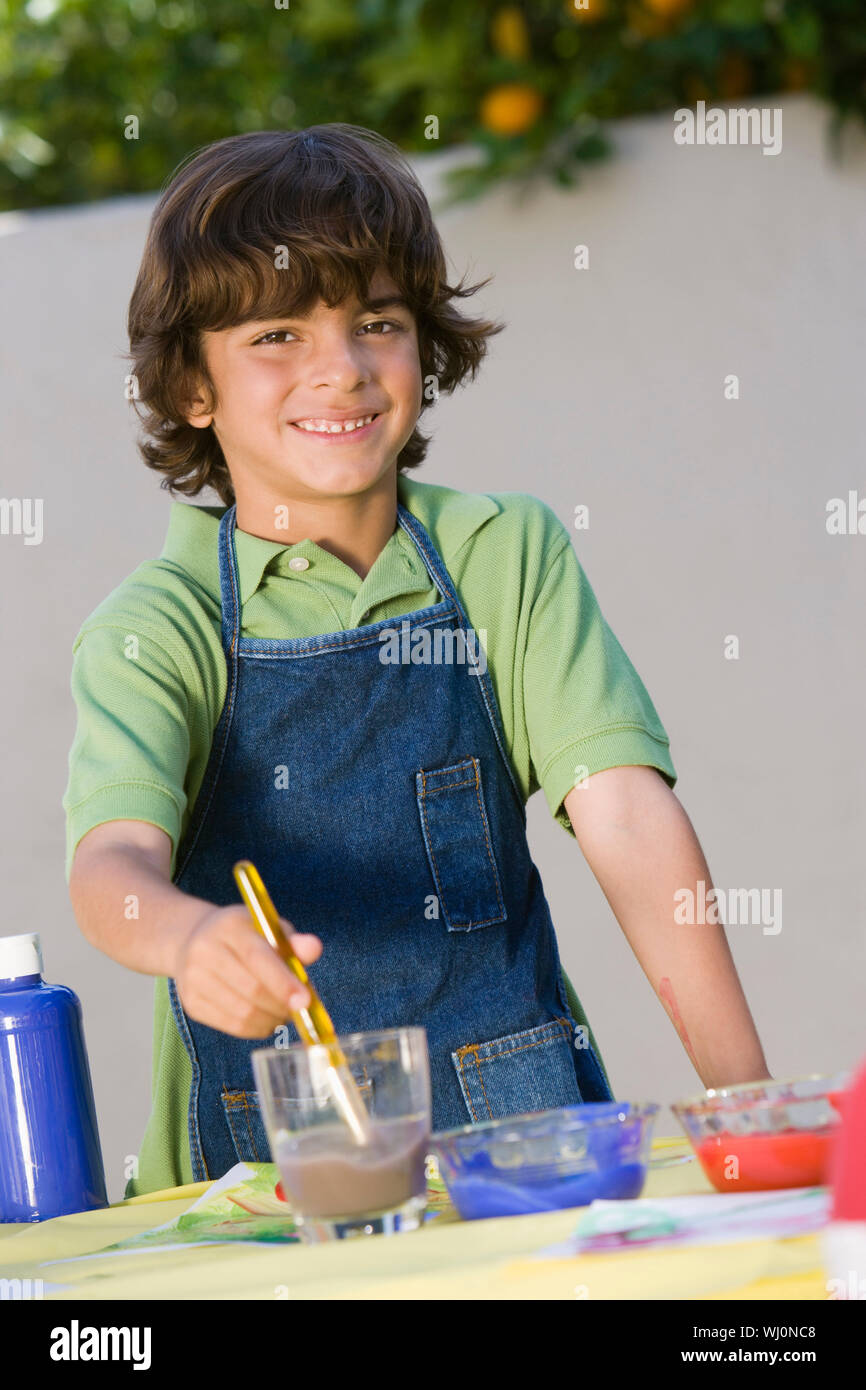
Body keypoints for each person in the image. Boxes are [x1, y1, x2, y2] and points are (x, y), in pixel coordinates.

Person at [64, 124, 771, 1197]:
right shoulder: (158, 625)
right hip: (260, 1189)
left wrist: (745, 1110)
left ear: (422, 344)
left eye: (376, 323)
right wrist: (188, 938)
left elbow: (627, 818)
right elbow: (110, 870)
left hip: (527, 1156)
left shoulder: (504, 553)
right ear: (191, 387)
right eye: (276, 337)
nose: (339, 370)